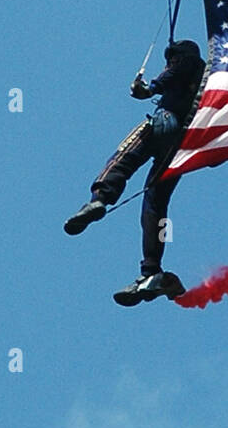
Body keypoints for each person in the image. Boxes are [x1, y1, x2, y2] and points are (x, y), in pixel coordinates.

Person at [64, 39, 205, 306]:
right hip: (181, 146)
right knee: (155, 201)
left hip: (165, 123)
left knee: (124, 159)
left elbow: (173, 71)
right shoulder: (209, 82)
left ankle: (100, 199)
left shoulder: (187, 61)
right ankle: (152, 271)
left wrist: (150, 88)